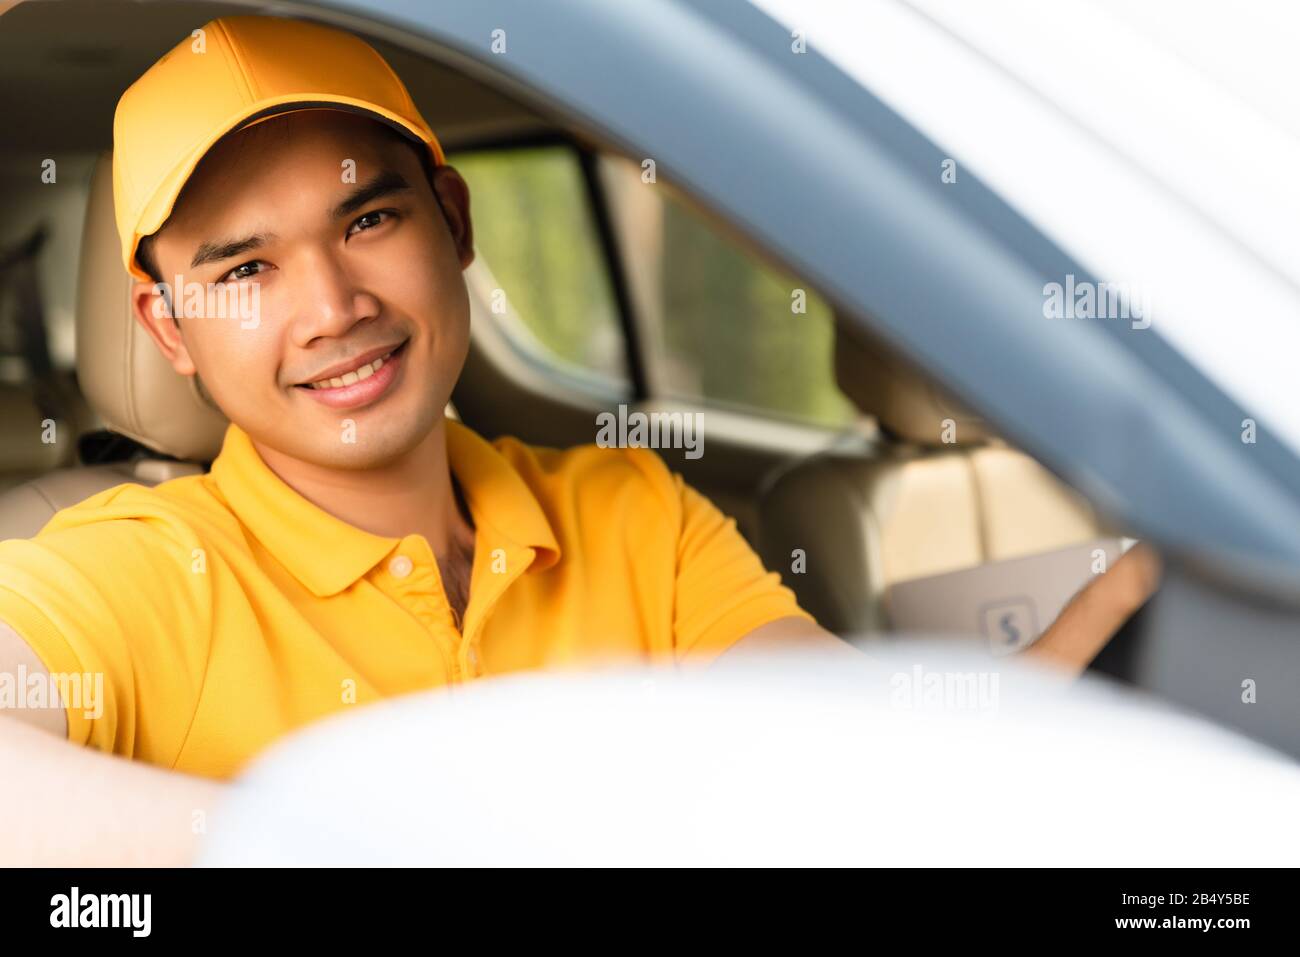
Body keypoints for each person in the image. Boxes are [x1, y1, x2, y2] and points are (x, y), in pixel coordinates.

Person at [0, 15, 1160, 865]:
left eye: (368, 219)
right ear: (172, 327)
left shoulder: (628, 512)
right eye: (244, 269)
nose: (330, 306)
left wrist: (1114, 641)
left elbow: (851, 763)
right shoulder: (142, 566)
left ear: (450, 224)